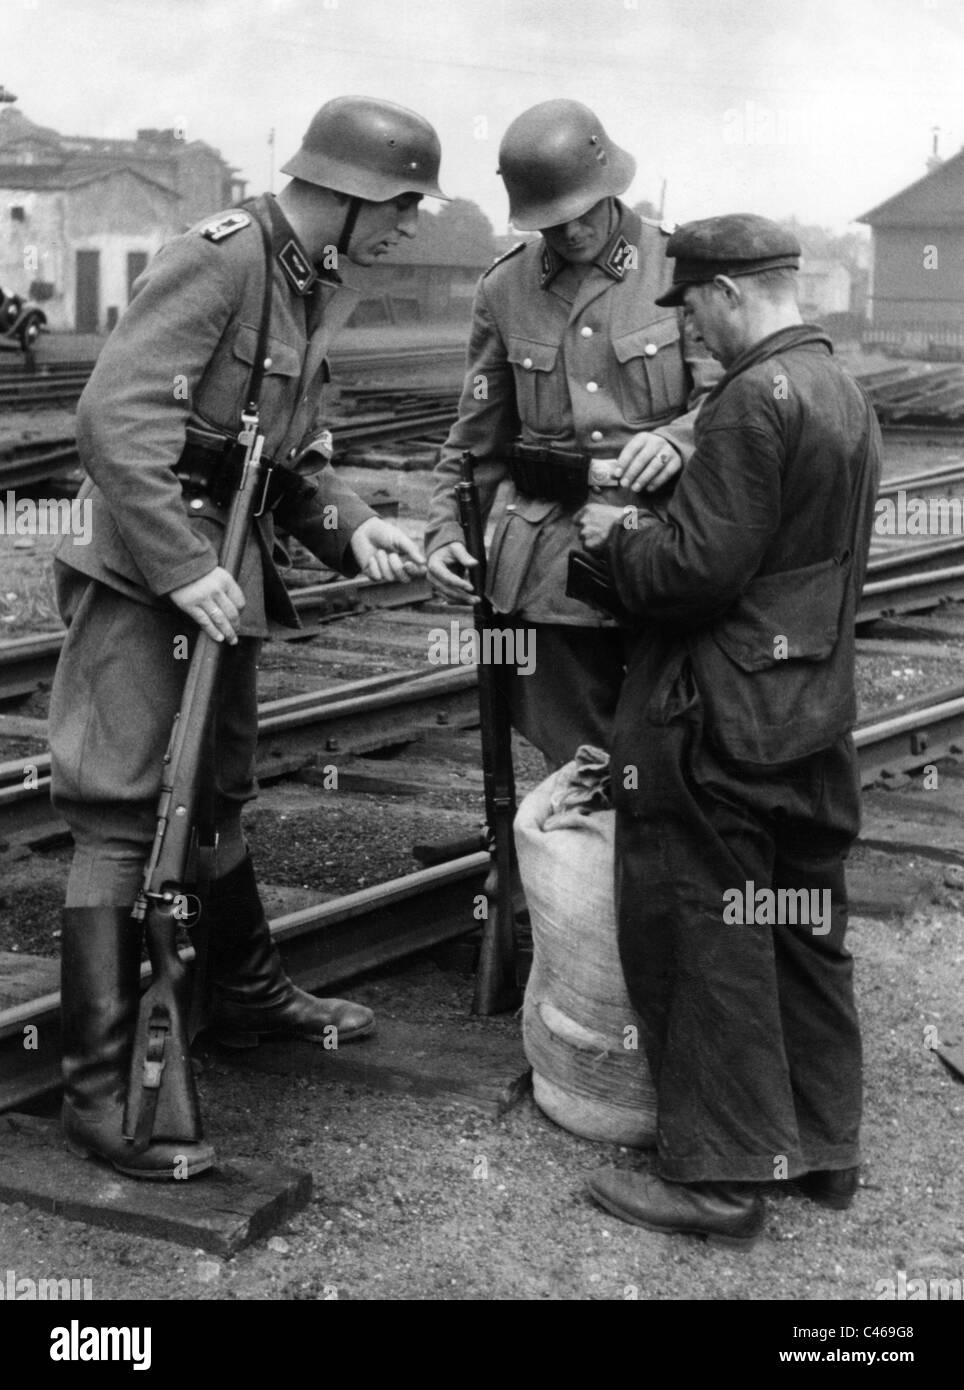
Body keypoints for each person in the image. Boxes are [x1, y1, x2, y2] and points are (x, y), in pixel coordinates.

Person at [48, 96, 446, 1179]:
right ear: (357, 196)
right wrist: (183, 570)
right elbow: (115, 419)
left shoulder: (306, 279)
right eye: (404, 204)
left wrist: (359, 530)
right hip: (151, 578)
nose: (411, 226)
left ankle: (240, 990)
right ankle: (100, 1093)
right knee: (126, 811)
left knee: (213, 793)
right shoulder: (221, 259)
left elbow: (285, 462)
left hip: (223, 576)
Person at [575, 214, 881, 1247]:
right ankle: (822, 1148)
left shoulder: (752, 401)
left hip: (723, 718)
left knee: (709, 932)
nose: (689, 331)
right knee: (800, 924)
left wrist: (615, 541)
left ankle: (720, 1177)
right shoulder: (838, 389)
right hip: (810, 712)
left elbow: (693, 574)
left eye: (693, 307)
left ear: (732, 291)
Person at [424, 99, 712, 769]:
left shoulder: (676, 265)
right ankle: (576, 868)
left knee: (677, 750)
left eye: (584, 208)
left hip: (666, 543)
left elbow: (735, 395)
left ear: (612, 185)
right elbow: (476, 433)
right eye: (553, 218)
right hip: (552, 563)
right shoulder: (506, 288)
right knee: (581, 758)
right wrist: (443, 531)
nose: (574, 228)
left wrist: (679, 440)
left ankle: (656, 868)